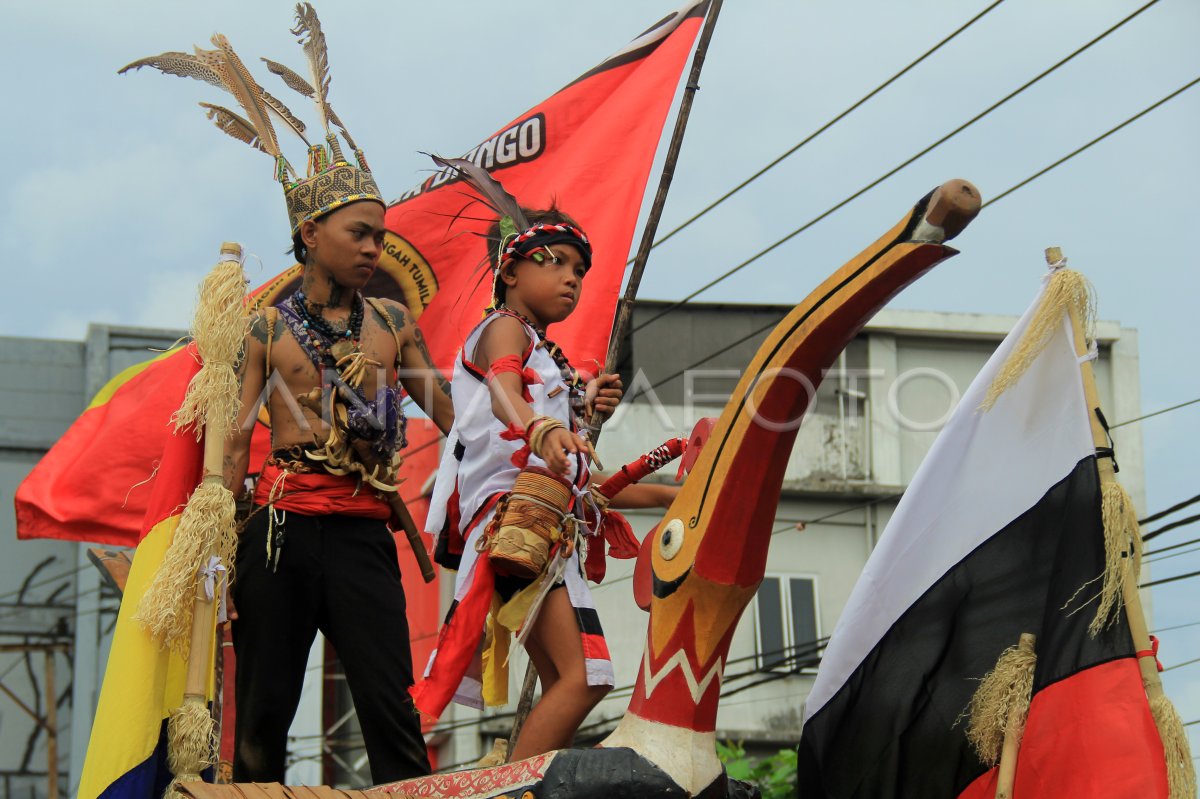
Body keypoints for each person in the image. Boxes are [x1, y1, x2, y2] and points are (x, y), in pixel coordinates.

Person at [120, 5, 454, 784]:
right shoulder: (265, 329)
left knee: (391, 707)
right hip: (277, 530)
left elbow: (454, 416)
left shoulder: (395, 322)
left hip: (367, 529)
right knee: (264, 706)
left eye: (379, 235)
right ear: (310, 235)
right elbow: (233, 439)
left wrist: (533, 434)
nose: (374, 247)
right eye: (358, 234)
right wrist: (212, 538)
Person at [411, 183, 673, 761]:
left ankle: (515, 779)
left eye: (578, 268)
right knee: (589, 674)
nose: (571, 278)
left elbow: (588, 488)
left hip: (544, 522)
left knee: (569, 679)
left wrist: (676, 498)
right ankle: (513, 789)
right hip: (515, 522)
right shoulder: (503, 330)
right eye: (552, 262)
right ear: (509, 271)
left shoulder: (544, 356)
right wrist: (542, 427)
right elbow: (506, 388)